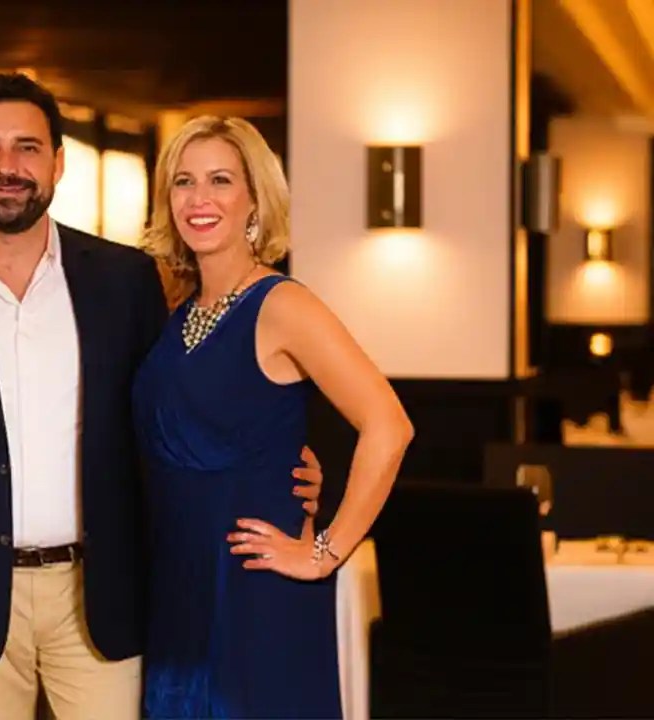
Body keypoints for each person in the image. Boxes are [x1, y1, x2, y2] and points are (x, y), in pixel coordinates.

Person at [0, 74, 323, 720]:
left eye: (27, 148)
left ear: (58, 163)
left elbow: (180, 408)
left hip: (103, 598)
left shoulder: (124, 281)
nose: (6, 166)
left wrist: (298, 475)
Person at [133, 115, 414, 719]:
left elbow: (389, 426)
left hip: (255, 591)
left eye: (220, 181)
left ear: (254, 200)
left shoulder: (284, 304)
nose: (199, 199)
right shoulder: (180, 311)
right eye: (184, 182)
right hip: (179, 587)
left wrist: (325, 553)